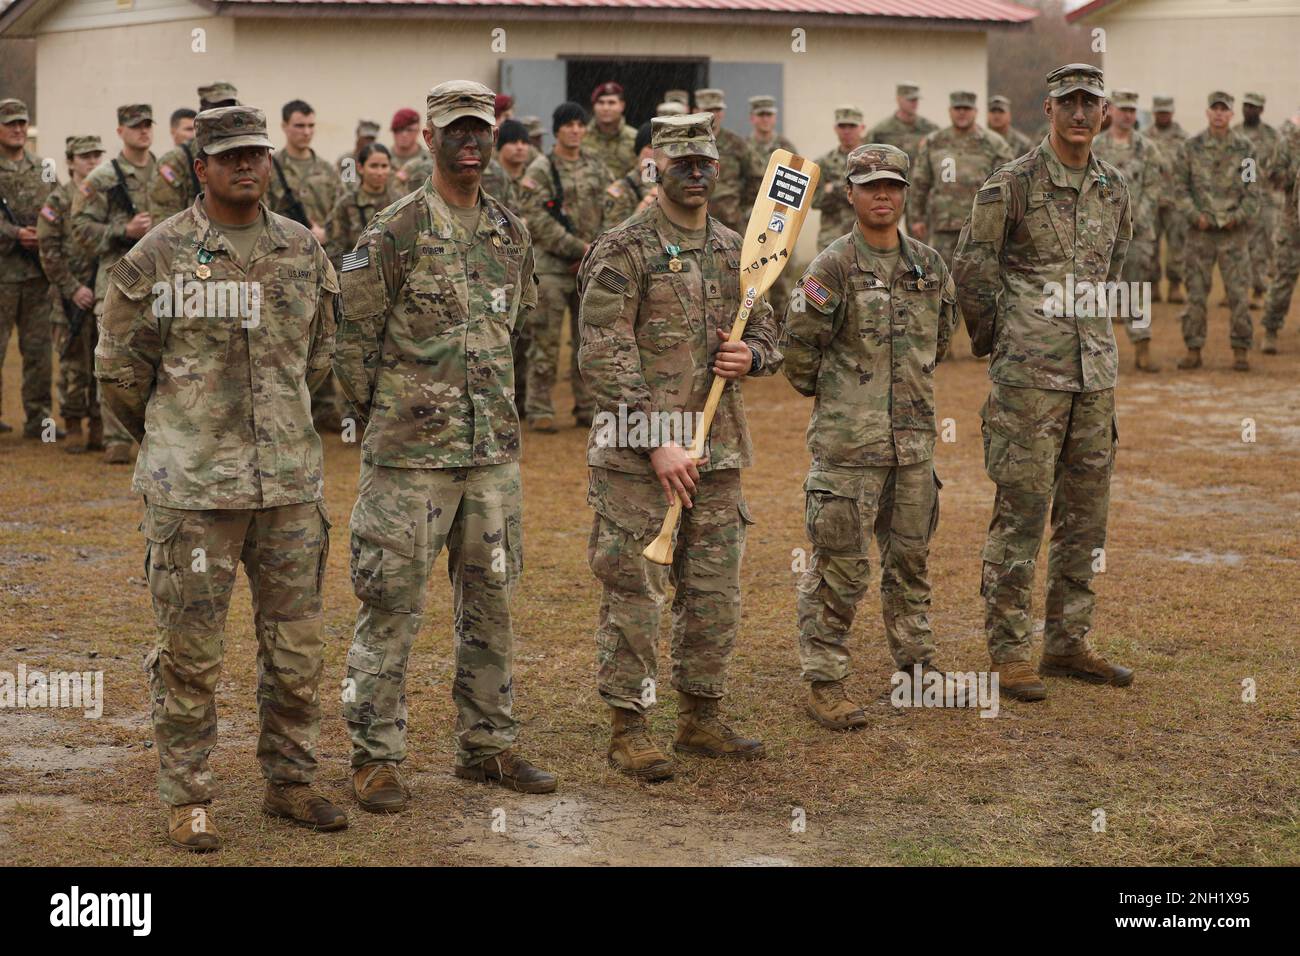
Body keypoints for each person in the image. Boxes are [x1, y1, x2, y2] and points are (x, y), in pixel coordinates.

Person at [95, 105, 346, 851]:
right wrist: (175, 440)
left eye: (256, 155)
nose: (246, 166)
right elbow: (118, 371)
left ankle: (292, 781)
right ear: (197, 166)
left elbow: (319, 356)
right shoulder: (156, 258)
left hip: (289, 488)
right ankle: (188, 796)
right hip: (194, 494)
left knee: (296, 646)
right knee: (190, 651)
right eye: (229, 156)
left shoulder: (301, 249)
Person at [334, 80, 555, 811]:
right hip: (408, 461)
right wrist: (386, 421)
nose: (470, 141)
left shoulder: (509, 231)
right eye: (455, 130)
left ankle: (487, 746)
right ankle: (375, 756)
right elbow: (353, 341)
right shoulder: (394, 231)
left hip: (490, 455)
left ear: (492, 140)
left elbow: (511, 328)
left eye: (480, 130)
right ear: (428, 138)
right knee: (391, 605)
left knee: (491, 602)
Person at [577, 113, 780, 780]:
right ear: (655, 168)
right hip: (640, 458)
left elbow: (773, 335)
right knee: (636, 590)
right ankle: (629, 727)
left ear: (717, 168)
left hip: (716, 453)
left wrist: (752, 354)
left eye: (704, 163)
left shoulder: (735, 250)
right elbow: (603, 354)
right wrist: (656, 439)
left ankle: (700, 715)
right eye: (680, 164)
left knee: (713, 590)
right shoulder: (623, 248)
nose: (694, 174)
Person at [952, 63, 1135, 702]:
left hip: (1095, 375)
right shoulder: (1013, 183)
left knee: (1086, 518)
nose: (1081, 113)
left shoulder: (1113, 187)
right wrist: (1005, 340)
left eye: (1091, 102)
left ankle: (1067, 641)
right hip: (1030, 378)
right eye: (1069, 102)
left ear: (1105, 113)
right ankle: (1008, 651)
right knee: (1022, 512)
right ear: (1049, 110)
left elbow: (1112, 264)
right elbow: (972, 269)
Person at [782, 144, 958, 729]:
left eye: (893, 186)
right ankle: (825, 680)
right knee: (840, 566)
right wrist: (844, 404)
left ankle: (917, 671)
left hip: (913, 445)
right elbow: (800, 349)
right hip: (848, 450)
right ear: (850, 194)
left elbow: (942, 338)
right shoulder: (830, 267)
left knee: (910, 562)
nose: (883, 195)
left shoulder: (929, 266)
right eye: (870, 186)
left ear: (906, 193)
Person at [71, 102, 157, 463]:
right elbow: (79, 228)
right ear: (120, 131)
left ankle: (157, 435)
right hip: (117, 284)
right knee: (116, 361)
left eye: (147, 124)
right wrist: (124, 230)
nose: (143, 130)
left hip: (161, 283)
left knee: (162, 360)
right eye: (135, 125)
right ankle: (116, 438)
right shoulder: (103, 178)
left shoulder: (167, 173)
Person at [518, 101, 611, 432]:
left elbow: (612, 208)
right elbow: (537, 219)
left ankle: (586, 406)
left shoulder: (597, 167)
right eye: (568, 124)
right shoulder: (540, 169)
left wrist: (599, 248)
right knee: (545, 341)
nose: (575, 130)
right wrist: (578, 247)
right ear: (556, 129)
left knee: (588, 341)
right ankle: (540, 407)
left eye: (579, 124)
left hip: (591, 268)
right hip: (554, 269)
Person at [1173, 92, 1259, 372]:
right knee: (1196, 294)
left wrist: (1238, 217)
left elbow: (1253, 193)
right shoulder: (1190, 147)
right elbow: (1180, 189)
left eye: (1225, 110)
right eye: (1215, 109)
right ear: (1207, 113)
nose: (1219, 114)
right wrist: (1194, 216)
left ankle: (1241, 350)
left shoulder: (1246, 150)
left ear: (1232, 115)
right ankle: (1194, 348)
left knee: (1238, 294)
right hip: (1200, 233)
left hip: (1233, 235)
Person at [38, 135, 105, 451]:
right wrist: (71, 288)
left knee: (102, 361)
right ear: (70, 161)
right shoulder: (57, 201)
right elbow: (48, 250)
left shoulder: (105, 198)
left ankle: (99, 422)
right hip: (69, 298)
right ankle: (73, 422)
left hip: (103, 292)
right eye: (84, 156)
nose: (92, 161)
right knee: (72, 362)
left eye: (96, 155)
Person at [1093, 88, 1168, 372]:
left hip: (1137, 231)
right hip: (1100, 232)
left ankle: (1142, 347)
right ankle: (1096, 354)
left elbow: (1154, 187)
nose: (1126, 115)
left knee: (1137, 289)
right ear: (1110, 111)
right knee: (1096, 291)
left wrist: (1137, 217)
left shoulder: (1147, 148)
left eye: (1132, 110)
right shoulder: (1096, 147)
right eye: (1122, 109)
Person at [0, 97, 55, 441]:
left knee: (39, 352)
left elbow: (58, 206)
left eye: (23, 123)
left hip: (37, 275)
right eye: (11, 124)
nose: (19, 129)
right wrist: (14, 233)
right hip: (3, 273)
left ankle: (40, 420)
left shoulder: (44, 166)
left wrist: (44, 234)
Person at [908, 91, 1014, 268]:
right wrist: (916, 218)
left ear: (975, 111)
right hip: (944, 227)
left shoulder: (994, 144)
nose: (962, 112)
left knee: (979, 280)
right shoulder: (934, 141)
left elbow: (1009, 184)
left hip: (981, 228)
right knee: (941, 277)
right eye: (958, 108)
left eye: (967, 108)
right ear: (950, 111)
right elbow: (920, 182)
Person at [148, 82, 239, 222]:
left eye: (230, 110)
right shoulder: (174, 162)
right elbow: (164, 225)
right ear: (202, 114)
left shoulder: (248, 158)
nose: (223, 116)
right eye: (216, 110)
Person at [693, 88, 764, 234]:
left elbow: (757, 178)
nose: (713, 114)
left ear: (723, 113)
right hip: (691, 221)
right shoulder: (686, 144)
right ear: (695, 111)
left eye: (717, 109)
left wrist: (743, 209)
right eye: (707, 109)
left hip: (730, 225)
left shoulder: (737, 144)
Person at [1234, 93, 1280, 304]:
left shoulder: (1272, 136)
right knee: (1237, 246)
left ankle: (1260, 290)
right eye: (1246, 106)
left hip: (1265, 201)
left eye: (1254, 107)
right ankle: (1233, 290)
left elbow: (1279, 166)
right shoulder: (1233, 134)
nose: (1249, 110)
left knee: (1264, 246)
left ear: (1261, 110)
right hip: (1238, 201)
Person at [324, 142, 401, 265]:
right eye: (374, 166)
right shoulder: (346, 204)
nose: (380, 172)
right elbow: (334, 256)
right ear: (360, 168)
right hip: (356, 277)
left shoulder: (400, 203)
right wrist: (367, 260)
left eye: (384, 166)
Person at [1262, 114, 1300, 353]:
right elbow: (1273, 175)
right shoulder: (1289, 142)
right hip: (1293, 225)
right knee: (1283, 279)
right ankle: (1271, 330)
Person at [1147, 95, 1189, 303]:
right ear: (1154, 113)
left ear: (1172, 112)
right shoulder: (1144, 137)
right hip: (1151, 201)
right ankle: (1153, 286)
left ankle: (1175, 285)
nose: (1163, 115)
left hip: (1175, 201)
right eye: (1159, 111)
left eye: (1166, 111)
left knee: (1177, 245)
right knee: (1150, 245)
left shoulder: (1184, 138)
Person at [811, 106, 866, 250]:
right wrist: (852, 189)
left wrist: (833, 188)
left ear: (862, 127)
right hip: (832, 238)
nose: (847, 131)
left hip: (867, 236)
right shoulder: (822, 163)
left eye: (852, 126)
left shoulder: (873, 160)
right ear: (835, 128)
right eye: (842, 126)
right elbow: (814, 201)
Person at [868, 82, 939, 169]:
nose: (914, 103)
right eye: (910, 99)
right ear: (898, 99)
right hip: (893, 180)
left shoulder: (930, 129)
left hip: (920, 180)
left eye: (916, 100)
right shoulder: (881, 131)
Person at [587, 81, 638, 180]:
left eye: (611, 103)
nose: (606, 108)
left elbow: (646, 174)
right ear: (594, 106)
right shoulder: (580, 137)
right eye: (601, 103)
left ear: (622, 106)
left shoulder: (635, 138)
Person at [747, 95, 796, 162]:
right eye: (760, 114)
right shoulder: (744, 147)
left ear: (775, 117)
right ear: (751, 118)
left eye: (769, 114)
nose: (765, 119)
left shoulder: (786, 148)